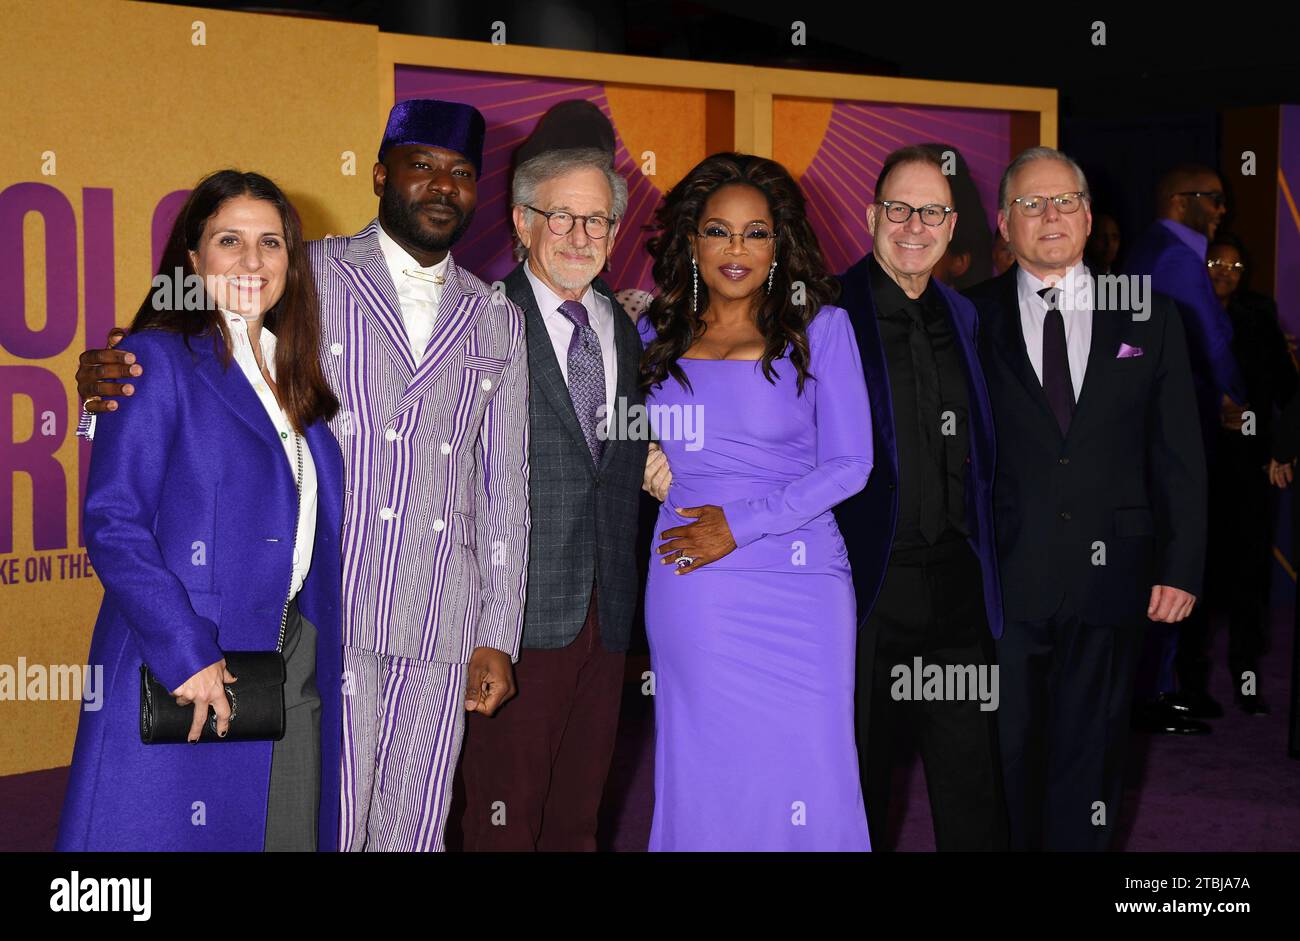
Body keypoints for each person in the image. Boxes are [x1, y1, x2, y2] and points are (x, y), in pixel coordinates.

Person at [74, 99, 530, 852]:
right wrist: (99, 392)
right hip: (327, 611)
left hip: (405, 619)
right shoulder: (310, 274)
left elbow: (505, 487)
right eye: (422, 166)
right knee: (307, 828)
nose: (441, 186)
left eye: (460, 174)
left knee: (393, 831)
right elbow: (159, 406)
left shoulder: (484, 318)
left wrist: (497, 631)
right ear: (382, 174)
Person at [57, 170, 344, 851]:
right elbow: (113, 521)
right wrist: (186, 650)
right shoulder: (153, 357)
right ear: (192, 259)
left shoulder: (296, 373)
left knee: (288, 836)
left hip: (292, 652)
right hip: (188, 653)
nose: (252, 260)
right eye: (229, 240)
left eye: (270, 242)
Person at [966, 146, 1207, 851]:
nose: (1050, 215)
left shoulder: (1150, 315)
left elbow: (1180, 454)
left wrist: (1181, 563)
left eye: (1064, 201)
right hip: (1001, 580)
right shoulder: (967, 319)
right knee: (1002, 759)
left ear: (1090, 216)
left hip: (1115, 578)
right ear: (1003, 222)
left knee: (1093, 760)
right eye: (1031, 203)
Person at [638, 153, 873, 850]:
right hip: (693, 580)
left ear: (779, 245)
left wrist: (741, 525)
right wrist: (641, 461)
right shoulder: (654, 334)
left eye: (755, 233)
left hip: (801, 588)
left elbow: (852, 464)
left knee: (812, 762)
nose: (736, 250)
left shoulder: (821, 329)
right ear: (689, 240)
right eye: (717, 230)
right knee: (705, 764)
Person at [456, 104, 648, 851]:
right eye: (559, 218)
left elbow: (614, 458)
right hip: (513, 622)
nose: (579, 237)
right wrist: (476, 629)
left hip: (606, 619)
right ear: (520, 221)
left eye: (596, 222)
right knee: (503, 818)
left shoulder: (622, 326)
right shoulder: (476, 321)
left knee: (578, 818)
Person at [835, 146, 1007, 851]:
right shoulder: (826, 311)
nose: (913, 224)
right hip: (868, 588)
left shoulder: (964, 317)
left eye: (930, 211)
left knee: (973, 789)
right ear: (872, 215)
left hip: (957, 584)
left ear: (952, 223)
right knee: (862, 786)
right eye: (898, 209)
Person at [1126, 163, 1249, 728]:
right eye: (1215, 198)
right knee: (1176, 546)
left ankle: (1161, 683)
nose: (1223, 208)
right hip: (1175, 428)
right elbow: (1207, 341)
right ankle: (1155, 689)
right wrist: (1240, 400)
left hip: (1163, 425)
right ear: (1180, 200)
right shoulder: (1173, 256)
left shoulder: (1156, 250)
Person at [1201, 236, 1296, 714]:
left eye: (1235, 265)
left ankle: (1246, 676)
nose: (1225, 271)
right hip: (1196, 467)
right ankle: (1187, 684)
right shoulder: (1179, 311)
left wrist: (1282, 449)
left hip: (1252, 468)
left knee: (1250, 578)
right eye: (1216, 261)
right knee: (1194, 574)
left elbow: (1288, 389)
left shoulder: (1258, 315)